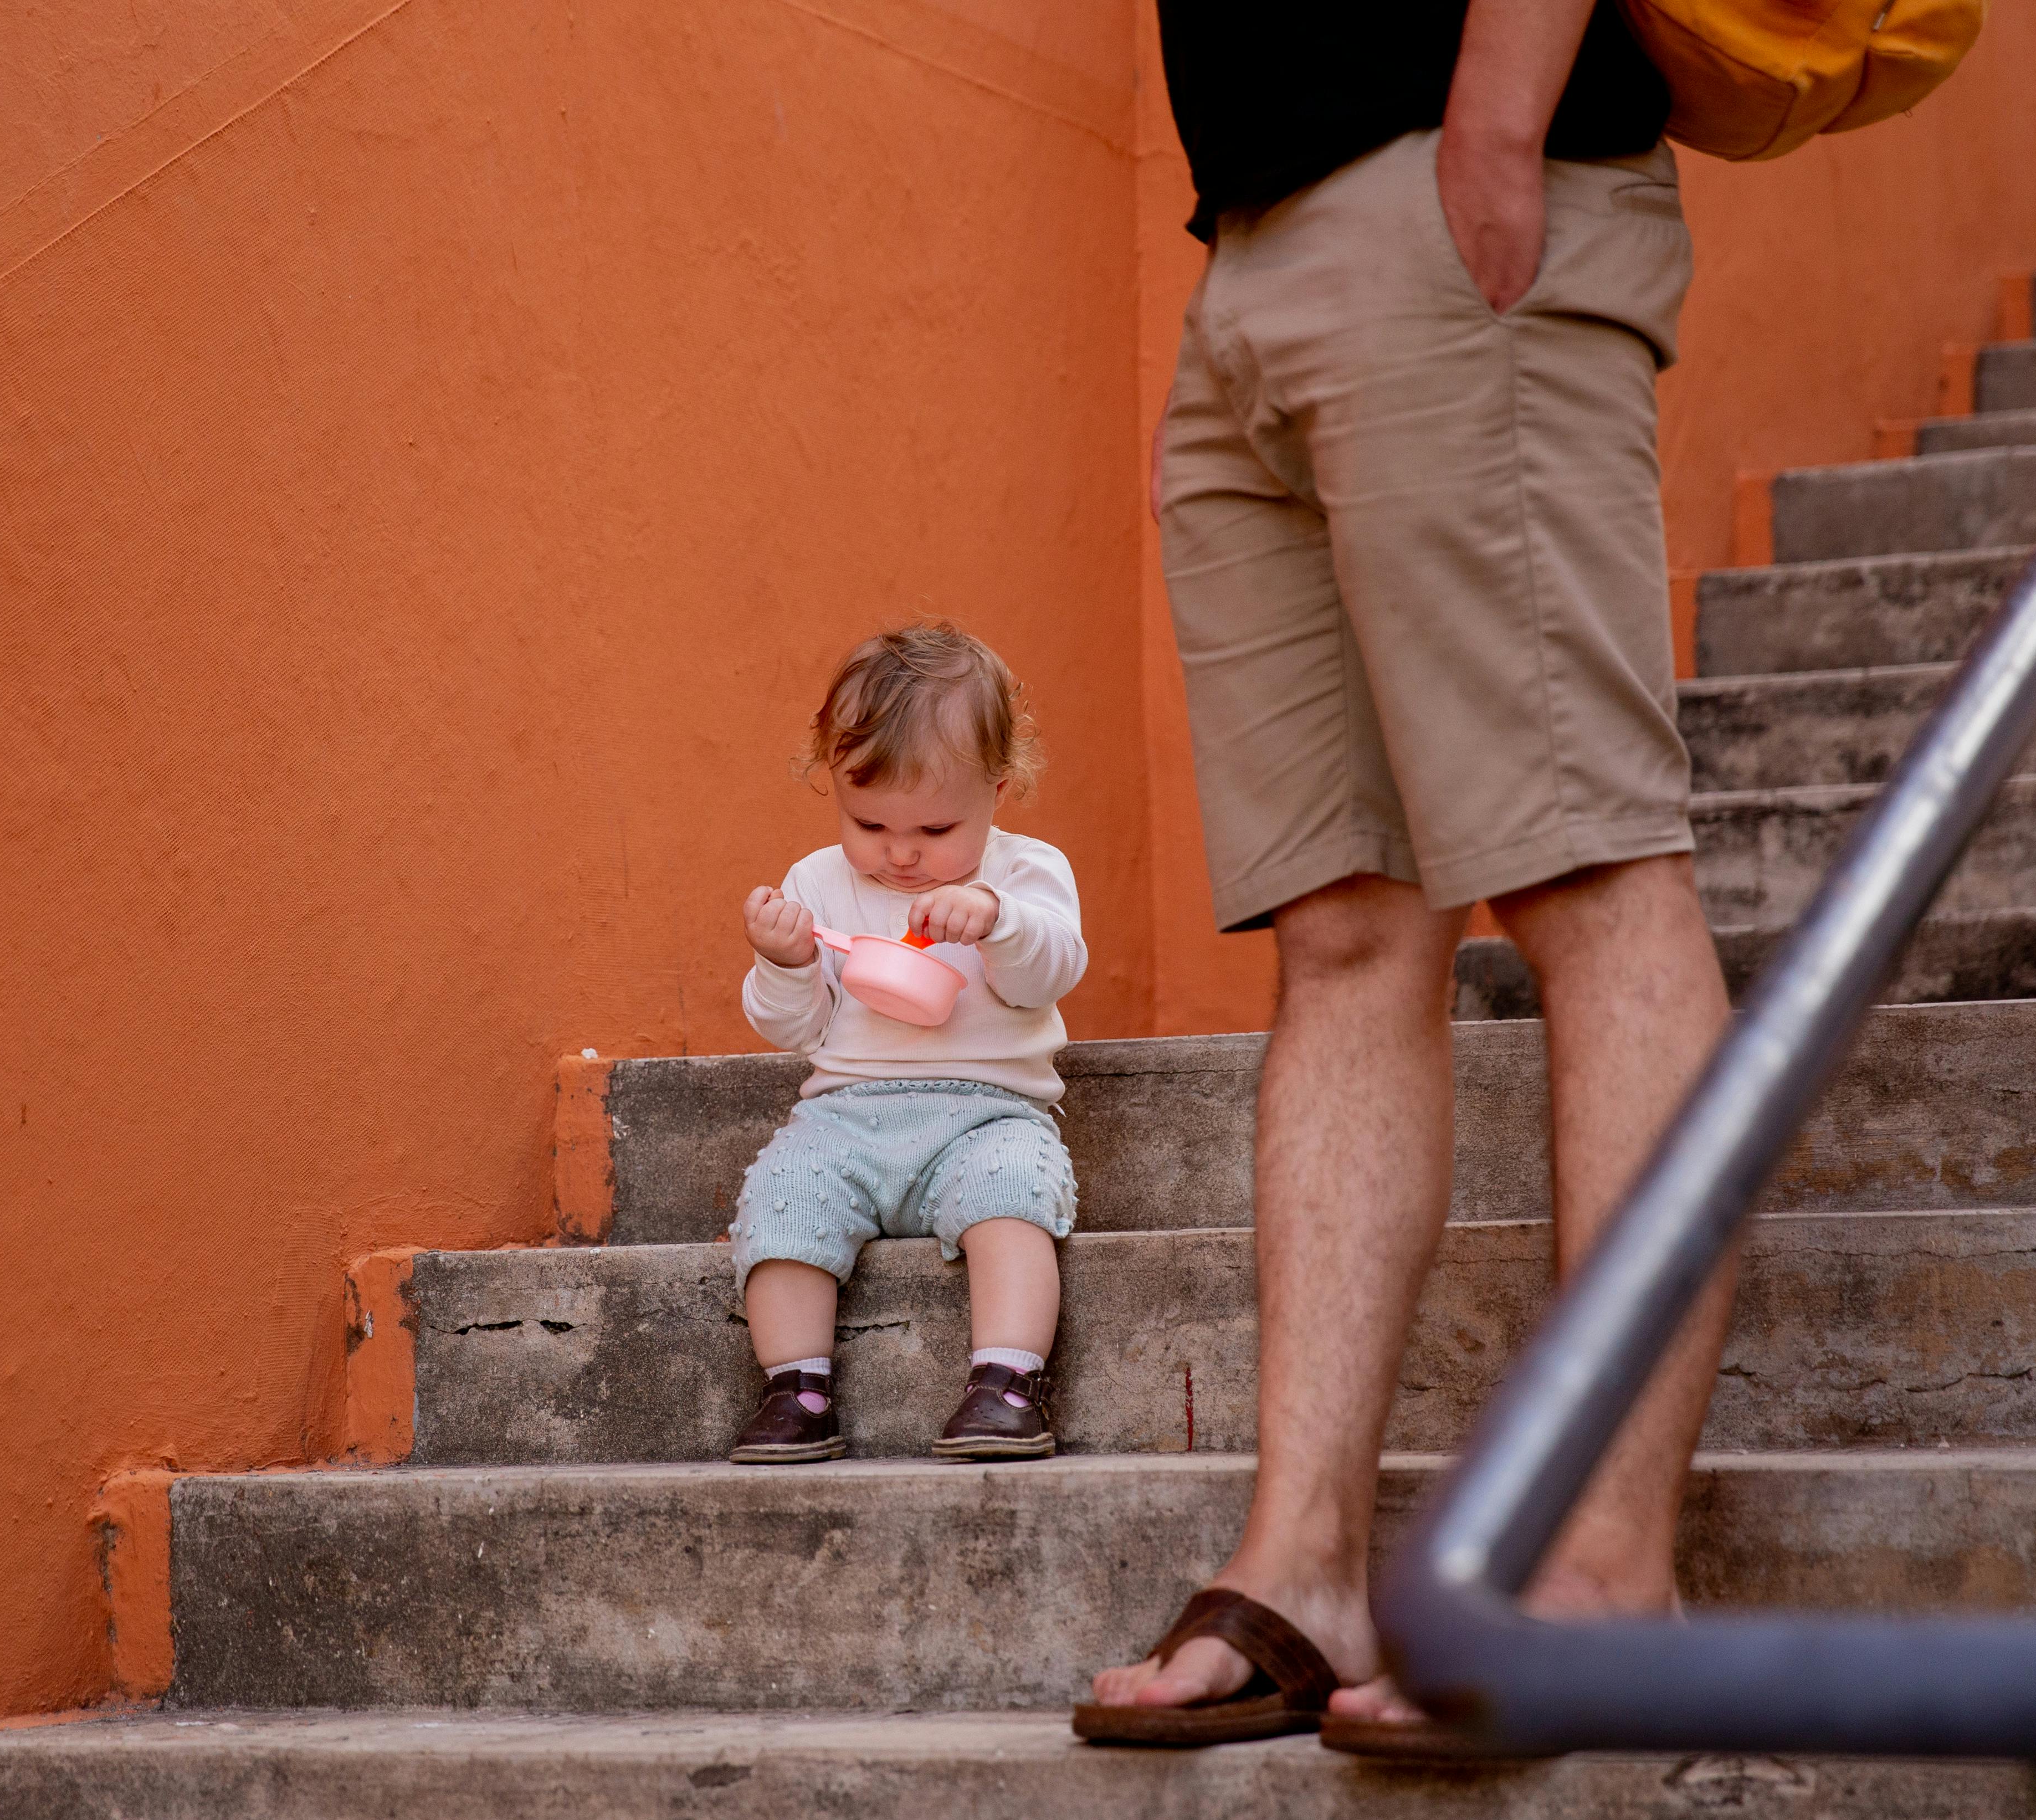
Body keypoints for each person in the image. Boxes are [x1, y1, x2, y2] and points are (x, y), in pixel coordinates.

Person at [1071, 0, 1738, 1756]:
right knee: (1348, 928)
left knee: (1589, 873)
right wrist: (1236, 285)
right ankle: (1305, 1566)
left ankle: (1605, 1570)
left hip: (1455, 190)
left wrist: (1498, 122)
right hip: (1270, 252)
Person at [725, 624, 1089, 1465]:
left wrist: (997, 923)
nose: (900, 854)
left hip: (988, 1113)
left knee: (1013, 1197)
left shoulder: (1025, 875)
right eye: (870, 821)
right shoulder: (819, 881)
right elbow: (796, 1028)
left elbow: (1052, 971)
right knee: (785, 1193)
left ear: (998, 789)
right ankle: (796, 1388)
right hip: (846, 1115)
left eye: (934, 830)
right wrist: (783, 963)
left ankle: (1004, 1382)